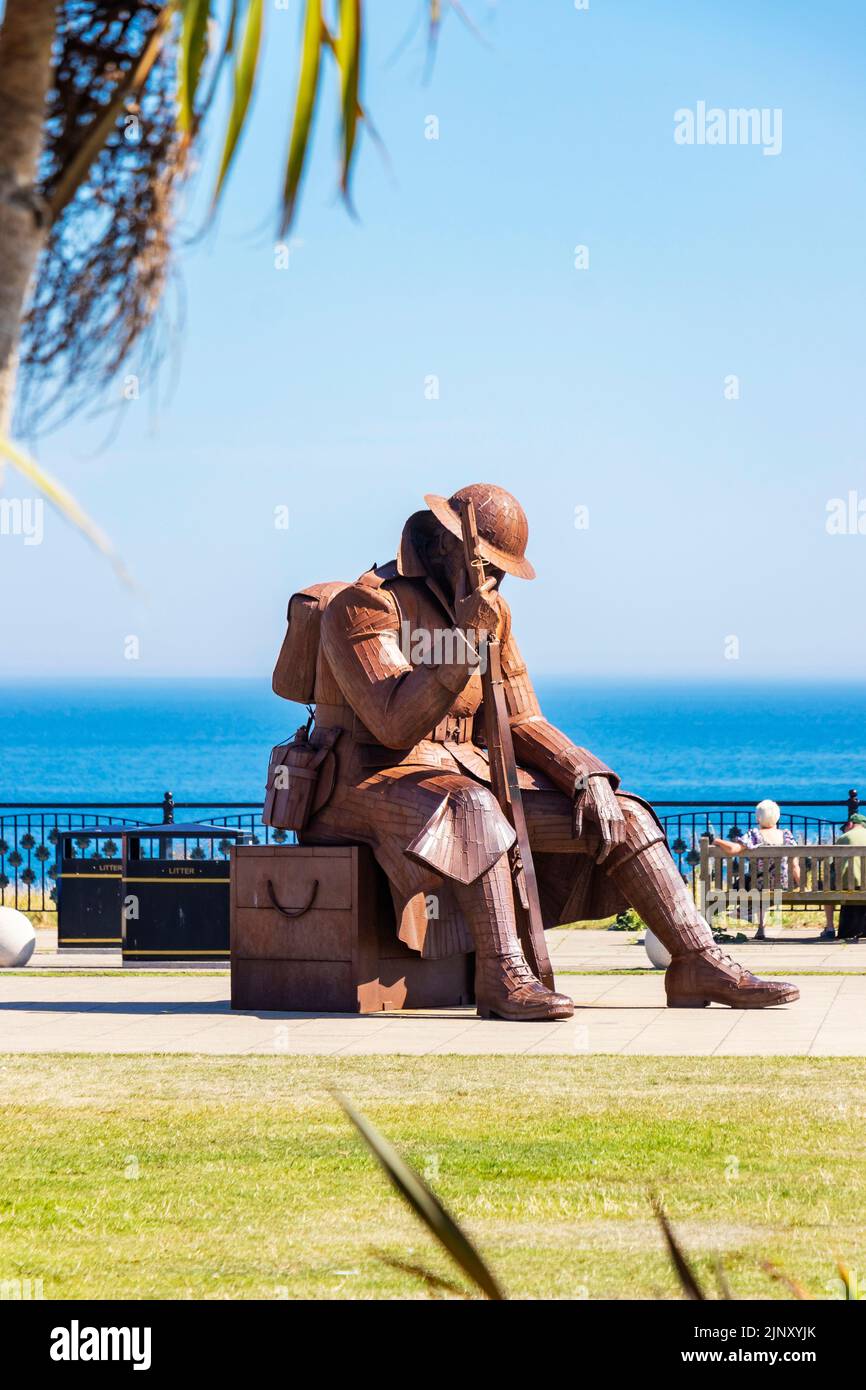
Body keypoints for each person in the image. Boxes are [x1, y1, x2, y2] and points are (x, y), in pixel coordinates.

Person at [277, 484, 799, 1018]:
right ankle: (503, 975)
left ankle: (697, 961)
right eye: (487, 564)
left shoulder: (492, 614)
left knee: (626, 816)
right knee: (470, 809)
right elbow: (392, 723)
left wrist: (584, 773)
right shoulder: (365, 605)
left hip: (460, 778)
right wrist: (462, 643)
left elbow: (522, 718)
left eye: (503, 571)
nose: (497, 581)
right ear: (440, 545)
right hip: (364, 783)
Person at [712, 800, 800, 939]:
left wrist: (717, 841)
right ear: (777, 817)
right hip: (783, 885)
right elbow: (794, 864)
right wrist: (801, 886)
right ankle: (749, 916)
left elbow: (734, 849)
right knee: (759, 882)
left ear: (758, 818)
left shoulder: (755, 834)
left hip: (760, 885)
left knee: (750, 881)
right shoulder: (786, 835)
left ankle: (748, 914)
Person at [833, 813, 866, 941]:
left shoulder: (844, 837)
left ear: (851, 824)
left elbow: (835, 862)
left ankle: (836, 929)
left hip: (849, 884)